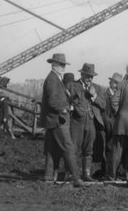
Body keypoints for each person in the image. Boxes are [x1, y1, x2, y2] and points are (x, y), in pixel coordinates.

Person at [40, 53, 85, 187]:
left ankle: (48, 177)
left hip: (52, 120)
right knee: (69, 147)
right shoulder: (53, 79)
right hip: (58, 120)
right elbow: (53, 102)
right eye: (61, 64)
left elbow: (56, 100)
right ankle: (76, 178)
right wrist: (65, 108)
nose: (63, 67)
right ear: (53, 65)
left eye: (64, 64)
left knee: (51, 150)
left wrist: (68, 100)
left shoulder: (54, 78)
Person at [69, 64, 98, 182]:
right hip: (77, 122)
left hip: (90, 122)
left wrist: (94, 96)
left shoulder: (96, 88)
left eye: (92, 76)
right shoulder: (73, 86)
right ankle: (71, 174)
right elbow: (68, 100)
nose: (90, 79)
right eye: (87, 76)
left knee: (88, 150)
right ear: (82, 74)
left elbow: (103, 105)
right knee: (74, 149)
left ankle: (86, 174)